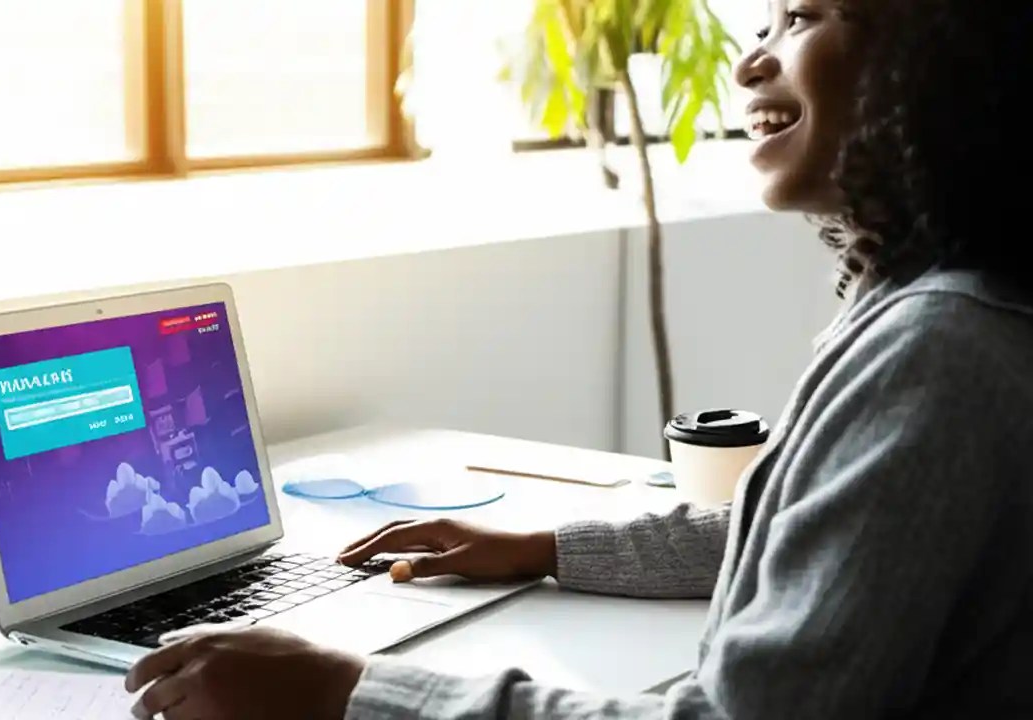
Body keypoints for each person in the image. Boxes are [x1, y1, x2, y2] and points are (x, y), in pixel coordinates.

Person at [123, 0, 1033, 716]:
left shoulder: (938, 352)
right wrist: (547, 547)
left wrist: (348, 692)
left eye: (799, 19)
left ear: (935, 57)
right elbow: (814, 536)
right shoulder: (936, 305)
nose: (750, 61)